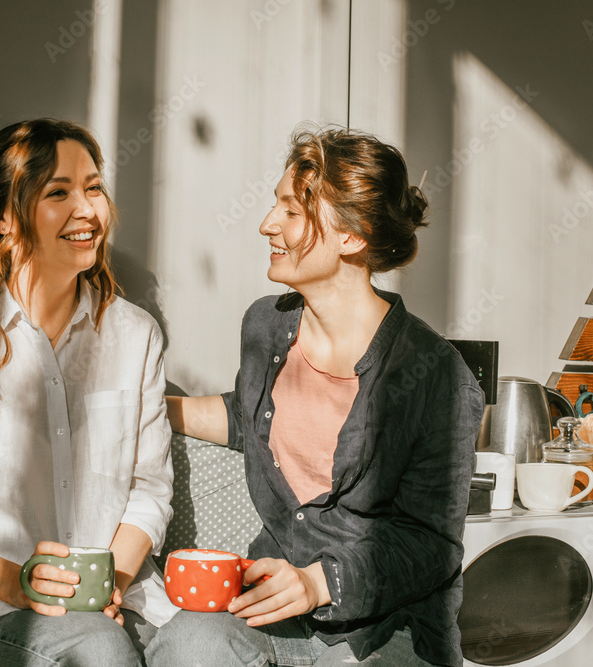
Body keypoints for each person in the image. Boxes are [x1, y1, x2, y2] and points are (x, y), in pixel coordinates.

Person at [148, 127, 484, 667]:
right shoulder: (266, 323)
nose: (266, 225)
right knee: (189, 645)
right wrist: (143, 408)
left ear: (352, 235)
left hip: (384, 627)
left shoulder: (435, 375)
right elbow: (250, 415)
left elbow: (433, 545)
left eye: (292, 212)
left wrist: (319, 583)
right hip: (271, 598)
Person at [0, 118, 177, 666]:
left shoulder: (135, 334)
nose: (88, 210)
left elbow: (148, 490)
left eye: (94, 188)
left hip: (125, 594)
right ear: (3, 216)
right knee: (97, 652)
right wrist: (16, 583)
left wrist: (107, 587)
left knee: (211, 646)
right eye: (58, 192)